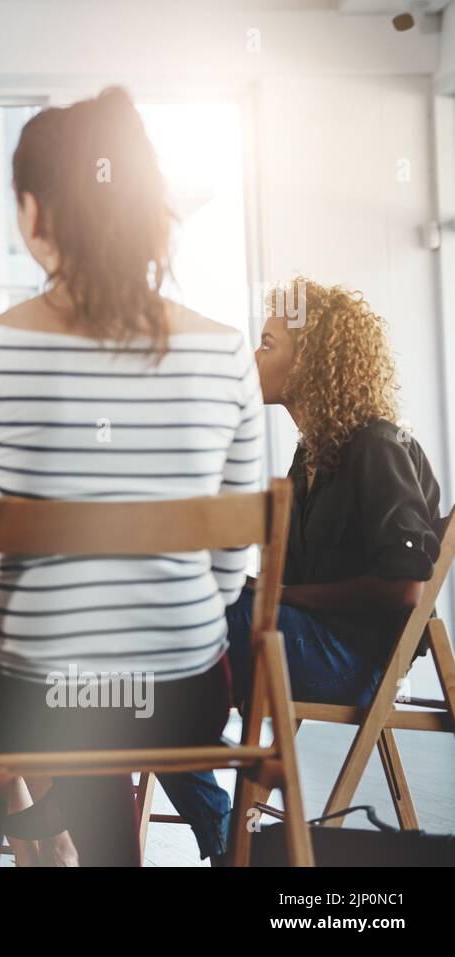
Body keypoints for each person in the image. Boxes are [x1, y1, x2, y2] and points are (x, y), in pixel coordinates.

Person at [0, 86, 264, 867]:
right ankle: (72, 843)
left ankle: (27, 841)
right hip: (186, 699)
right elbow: (231, 571)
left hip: (34, 697)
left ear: (34, 215)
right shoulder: (224, 351)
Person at [157, 277, 443, 862]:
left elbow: (406, 586)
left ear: (311, 360)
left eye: (266, 343)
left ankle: (223, 837)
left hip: (355, 662)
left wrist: (279, 592)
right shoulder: (311, 457)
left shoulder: (377, 446)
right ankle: (226, 836)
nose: (251, 356)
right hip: (304, 642)